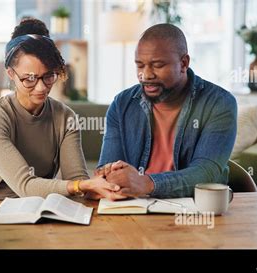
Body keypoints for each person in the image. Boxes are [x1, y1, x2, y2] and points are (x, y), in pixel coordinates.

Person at [0, 18, 124, 201]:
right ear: (11, 74)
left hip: (41, 205)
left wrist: (106, 183)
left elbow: (76, 179)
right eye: (30, 79)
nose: (41, 88)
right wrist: (82, 186)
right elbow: (25, 185)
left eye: (49, 76)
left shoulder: (65, 117)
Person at [96, 23, 237, 199]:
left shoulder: (218, 103)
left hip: (196, 211)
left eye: (157, 65)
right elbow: (105, 172)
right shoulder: (122, 104)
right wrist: (109, 176)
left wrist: (145, 183)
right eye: (140, 65)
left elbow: (206, 174)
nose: (146, 75)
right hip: (134, 208)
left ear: (183, 63)